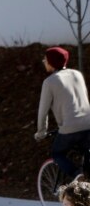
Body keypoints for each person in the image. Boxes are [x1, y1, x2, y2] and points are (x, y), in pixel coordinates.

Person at [38, 45, 90, 180]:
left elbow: (43, 111)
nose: (44, 61)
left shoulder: (49, 82)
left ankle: (76, 175)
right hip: (88, 125)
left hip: (69, 128)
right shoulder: (77, 74)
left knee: (57, 153)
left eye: (45, 59)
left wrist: (41, 131)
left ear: (52, 62)